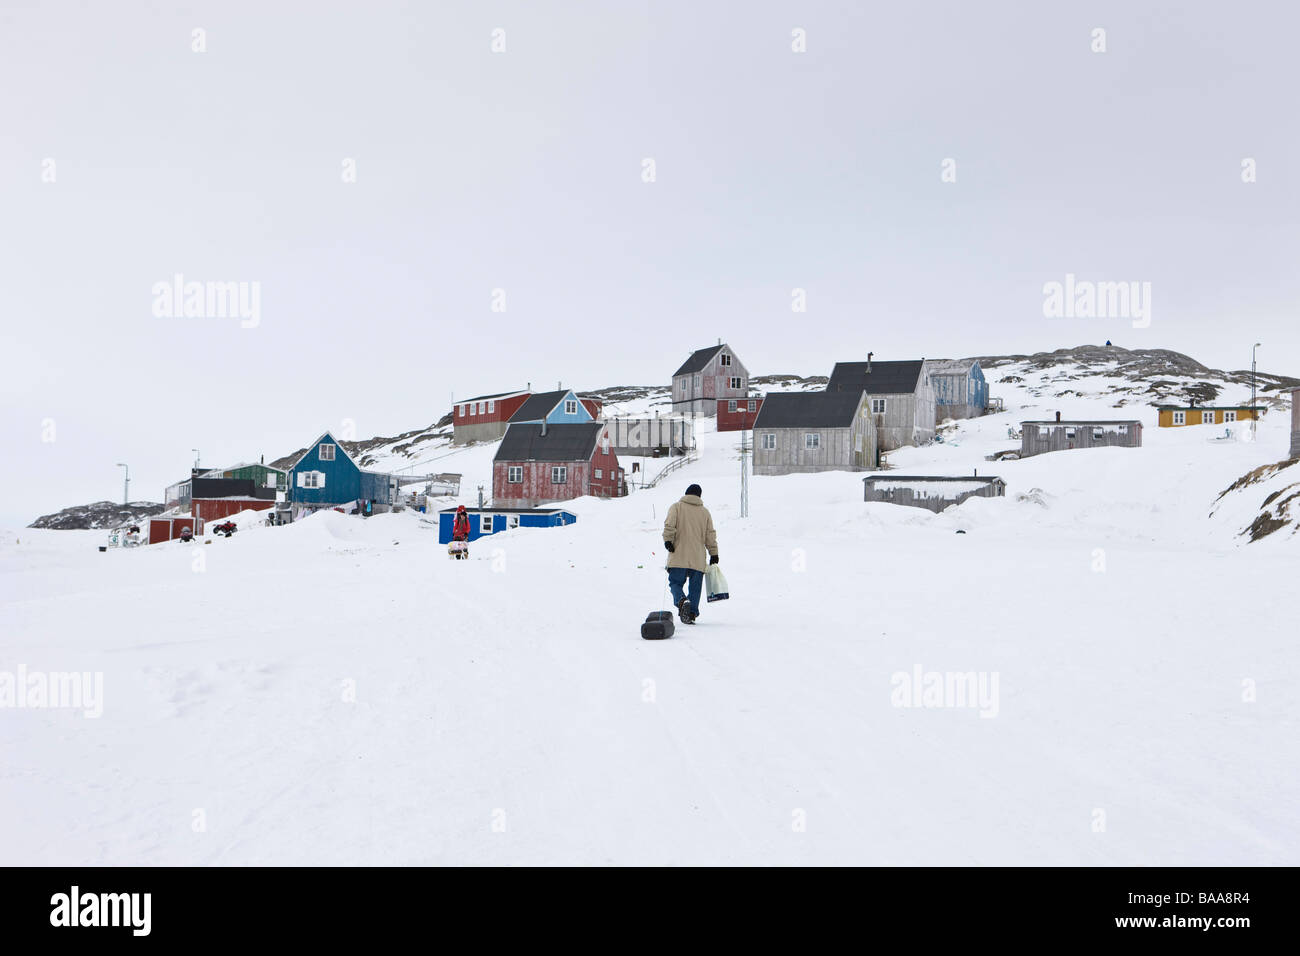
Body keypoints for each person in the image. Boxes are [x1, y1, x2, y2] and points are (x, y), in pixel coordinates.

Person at [662, 483, 719, 625]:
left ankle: (681, 601)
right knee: (695, 586)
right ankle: (691, 613)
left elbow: (669, 525)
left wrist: (668, 541)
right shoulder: (705, 512)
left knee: (675, 582)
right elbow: (710, 535)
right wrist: (714, 553)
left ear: (686, 493)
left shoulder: (676, 507)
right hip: (697, 558)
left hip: (678, 554)